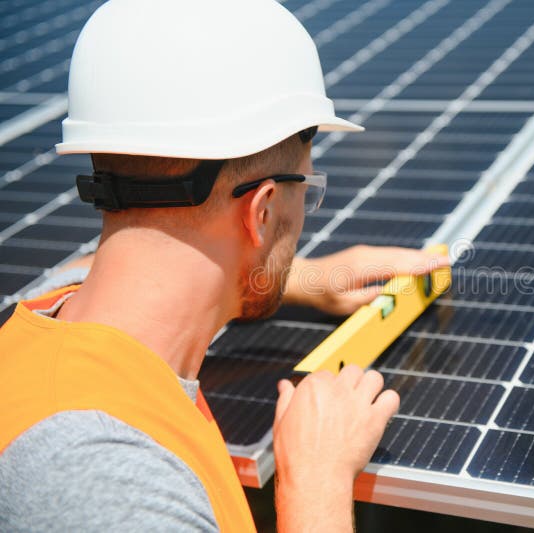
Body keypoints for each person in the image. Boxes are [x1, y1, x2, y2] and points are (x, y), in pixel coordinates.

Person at [0, 0, 448, 531]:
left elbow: (92, 268)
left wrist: (302, 277)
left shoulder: (41, 321)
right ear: (260, 212)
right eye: (308, 192)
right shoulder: (106, 490)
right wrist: (316, 482)